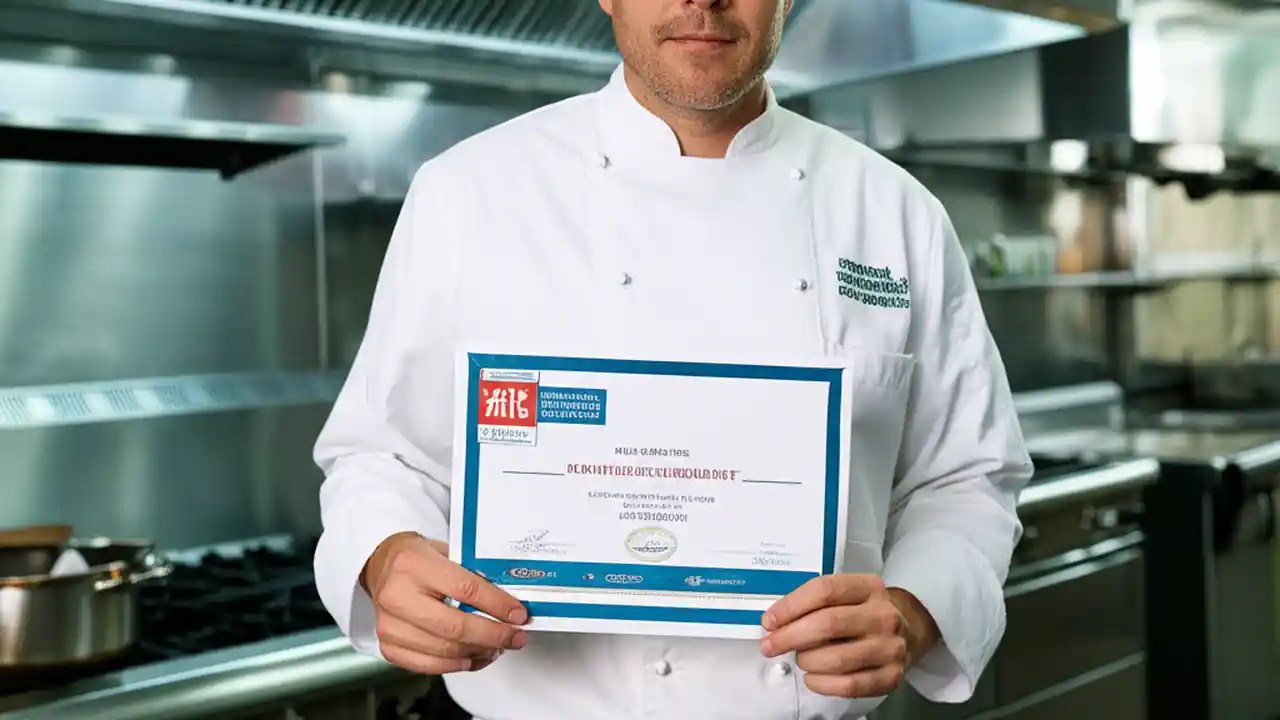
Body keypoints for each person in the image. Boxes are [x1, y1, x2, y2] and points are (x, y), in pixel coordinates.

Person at [311, 0, 1033, 718]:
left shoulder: (894, 212)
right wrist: (384, 555)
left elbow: (966, 477)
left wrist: (911, 611)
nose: (703, 0)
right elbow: (381, 455)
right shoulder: (469, 193)